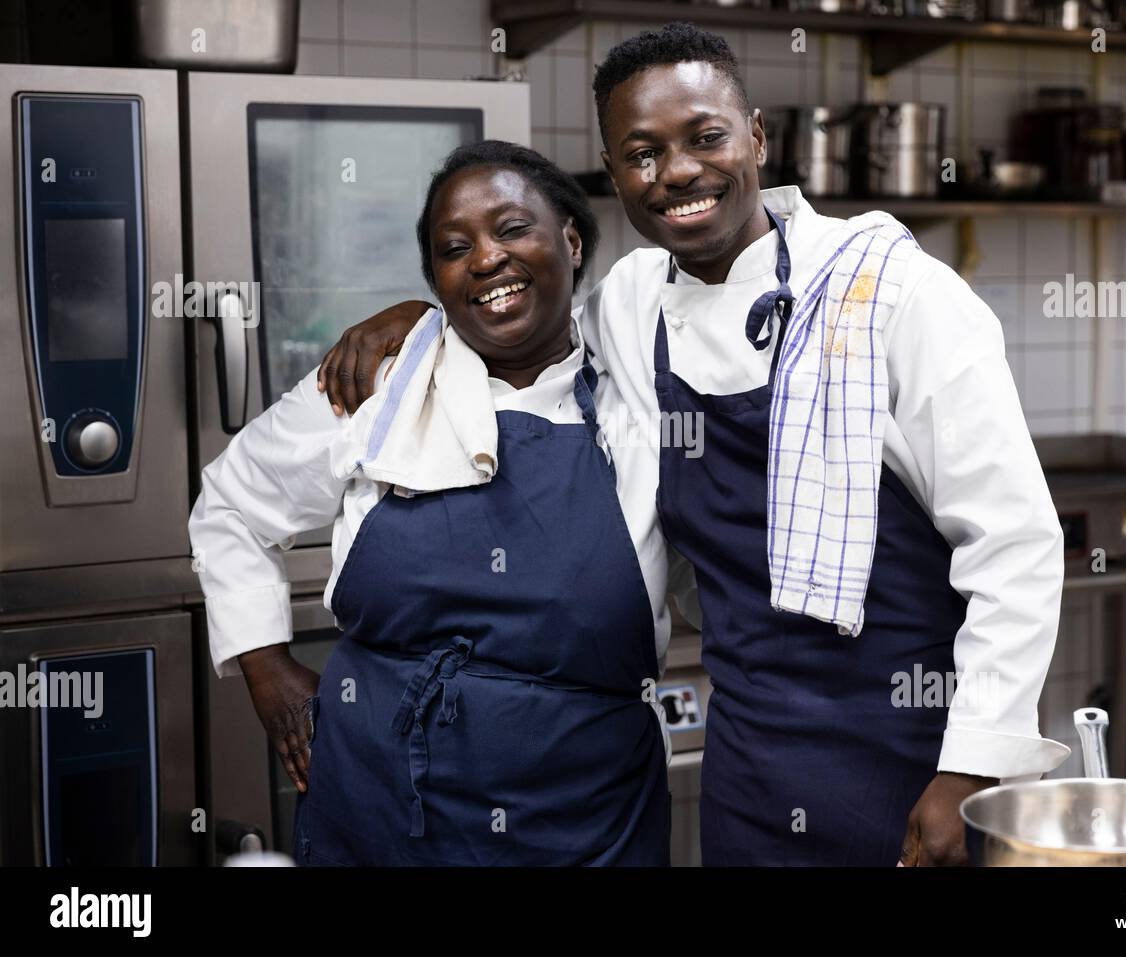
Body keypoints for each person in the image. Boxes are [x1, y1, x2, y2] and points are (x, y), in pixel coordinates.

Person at [318, 22, 1070, 866]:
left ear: (755, 137)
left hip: (914, 753)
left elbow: (1013, 545)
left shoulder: (898, 298)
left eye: (705, 137)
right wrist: (421, 323)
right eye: (641, 153)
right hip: (749, 763)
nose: (675, 172)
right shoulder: (634, 307)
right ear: (614, 176)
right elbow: (514, 313)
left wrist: (972, 766)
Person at [189, 141, 680, 866]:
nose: (485, 259)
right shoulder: (381, 384)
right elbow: (231, 503)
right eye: (455, 248)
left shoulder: (640, 388)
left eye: (512, 229)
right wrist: (267, 669)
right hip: (382, 810)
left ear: (571, 241)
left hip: (585, 819)